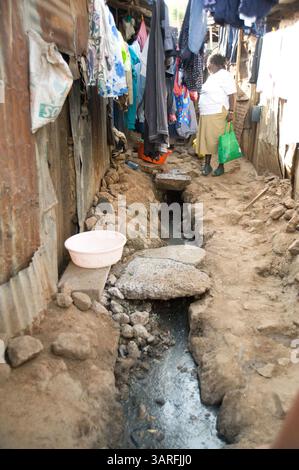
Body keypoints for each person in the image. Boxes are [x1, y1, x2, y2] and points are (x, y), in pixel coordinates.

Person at [196, 54, 237, 177]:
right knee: (207, 140)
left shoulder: (225, 75)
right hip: (207, 114)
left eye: (208, 62)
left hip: (218, 114)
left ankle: (221, 166)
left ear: (214, 63)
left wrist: (231, 112)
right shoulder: (212, 77)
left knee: (221, 141)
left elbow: (232, 95)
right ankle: (207, 165)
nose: (206, 65)